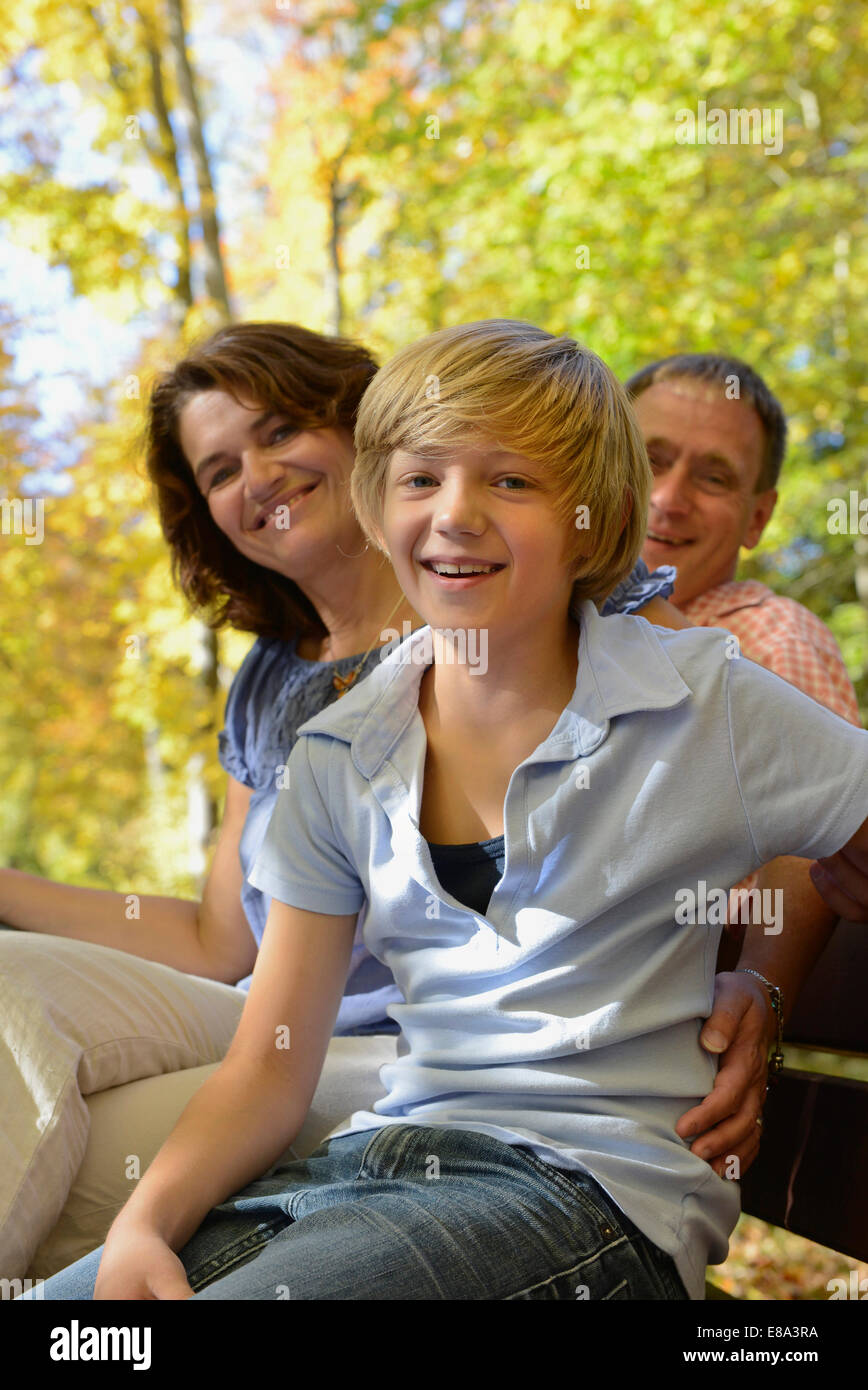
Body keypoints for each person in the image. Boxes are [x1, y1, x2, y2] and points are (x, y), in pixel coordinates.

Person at [31, 319, 868, 1302]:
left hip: (589, 1194)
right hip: (372, 1161)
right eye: (421, 480)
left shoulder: (695, 697)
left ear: (590, 519)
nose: (456, 514)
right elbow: (269, 1061)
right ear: (380, 508)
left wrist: (789, 947)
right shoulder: (338, 753)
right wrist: (142, 1227)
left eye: (509, 481)